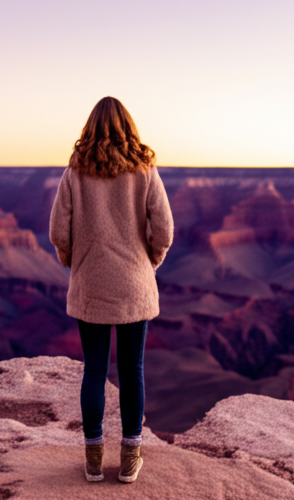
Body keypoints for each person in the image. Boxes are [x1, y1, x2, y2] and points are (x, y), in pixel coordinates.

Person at [49, 96, 174, 484]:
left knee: (94, 371)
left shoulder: (75, 172)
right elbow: (165, 231)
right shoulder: (144, 169)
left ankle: (92, 460)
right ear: (128, 127)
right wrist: (147, 265)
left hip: (91, 286)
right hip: (134, 287)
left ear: (90, 129)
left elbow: (58, 231)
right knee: (132, 370)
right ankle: (130, 458)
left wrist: (73, 262)